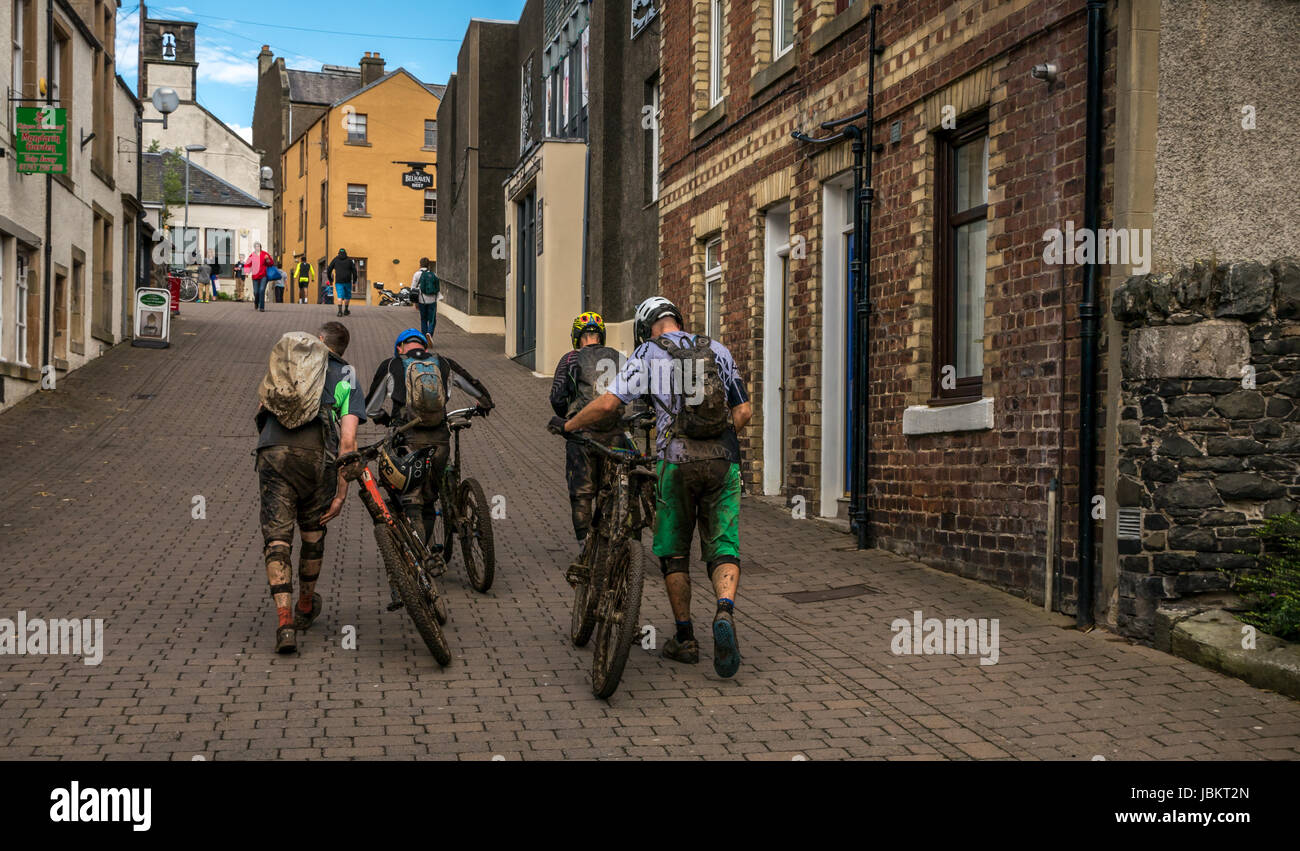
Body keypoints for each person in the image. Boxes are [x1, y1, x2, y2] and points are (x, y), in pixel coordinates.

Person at [556, 296, 753, 678]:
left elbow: (609, 404)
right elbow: (743, 411)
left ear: (647, 327)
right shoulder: (717, 349)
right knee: (723, 545)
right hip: (723, 461)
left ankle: (685, 638)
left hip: (675, 463)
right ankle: (724, 611)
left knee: (674, 551)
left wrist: (569, 425)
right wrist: (717, 444)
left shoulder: (648, 353)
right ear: (678, 319)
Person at [255, 321, 365, 653]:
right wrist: (341, 494)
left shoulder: (291, 362)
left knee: (277, 538)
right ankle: (305, 604)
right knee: (312, 533)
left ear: (318, 342)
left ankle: (284, 622)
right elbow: (348, 441)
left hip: (273, 450)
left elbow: (262, 409)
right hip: (319, 456)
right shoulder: (348, 376)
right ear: (341, 350)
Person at [365, 328, 494, 548]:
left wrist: (384, 419)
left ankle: (420, 556)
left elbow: (370, 408)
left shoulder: (392, 365)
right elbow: (476, 389)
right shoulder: (444, 363)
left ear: (400, 348)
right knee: (430, 496)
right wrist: (484, 405)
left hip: (407, 439)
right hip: (439, 440)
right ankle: (430, 548)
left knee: (411, 497)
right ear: (425, 346)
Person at [549, 312, 627, 555]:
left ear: (576, 337)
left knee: (581, 494)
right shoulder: (619, 357)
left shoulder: (570, 359)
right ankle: (610, 544)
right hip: (614, 435)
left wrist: (568, 417)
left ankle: (585, 549)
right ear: (601, 335)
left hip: (581, 436)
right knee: (610, 490)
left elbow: (557, 397)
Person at [412, 257, 440, 338]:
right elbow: (437, 288)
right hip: (432, 301)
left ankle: (424, 337)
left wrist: (415, 302)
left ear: (420, 264)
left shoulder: (417, 274)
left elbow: (413, 289)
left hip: (421, 300)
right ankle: (429, 334)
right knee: (432, 320)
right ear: (429, 265)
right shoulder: (434, 274)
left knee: (423, 319)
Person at [326, 248, 357, 317]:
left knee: (339, 296)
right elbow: (354, 271)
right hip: (347, 281)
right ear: (346, 253)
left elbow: (329, 269)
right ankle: (346, 310)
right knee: (347, 296)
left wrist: (330, 279)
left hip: (339, 281)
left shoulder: (335, 259)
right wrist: (354, 281)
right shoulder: (349, 260)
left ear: (338, 253)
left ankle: (339, 312)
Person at [244, 242, 273, 312]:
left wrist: (267, 259)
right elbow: (247, 264)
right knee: (256, 292)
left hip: (263, 275)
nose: (257, 248)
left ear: (260, 247)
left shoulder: (265, 254)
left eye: (258, 247)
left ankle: (261, 307)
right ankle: (256, 303)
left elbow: (271, 263)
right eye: (256, 247)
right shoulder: (252, 255)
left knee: (262, 290)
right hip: (255, 276)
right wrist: (246, 272)